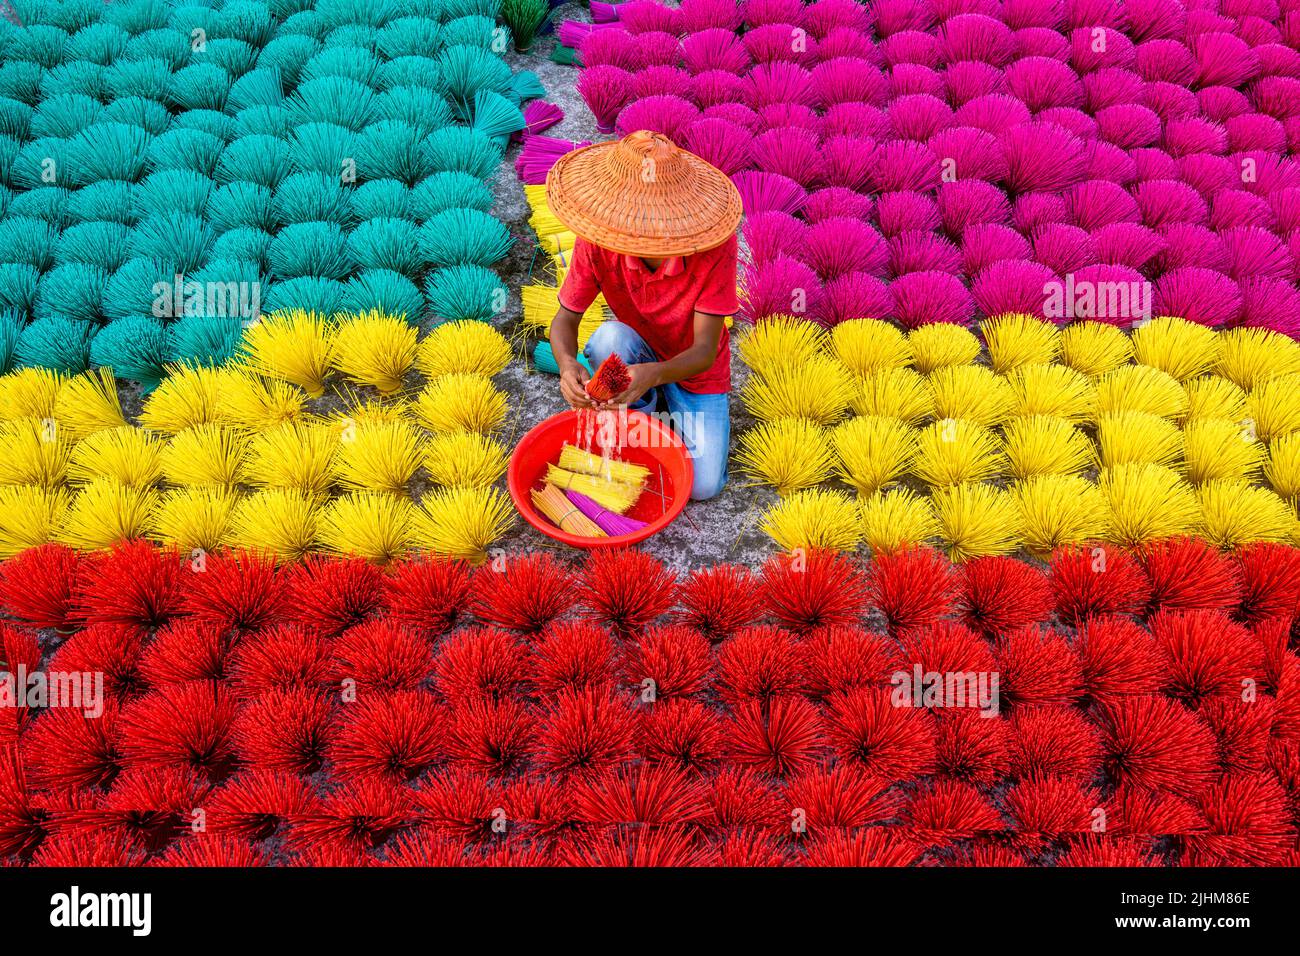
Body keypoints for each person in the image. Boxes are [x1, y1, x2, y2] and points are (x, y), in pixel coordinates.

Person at [544, 129, 743, 501]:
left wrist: (655, 374)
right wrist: (567, 362)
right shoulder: (601, 239)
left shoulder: (714, 245)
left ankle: (654, 393)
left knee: (702, 487)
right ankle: (641, 407)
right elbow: (565, 319)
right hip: (639, 352)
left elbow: (704, 350)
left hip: (695, 370)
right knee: (608, 340)